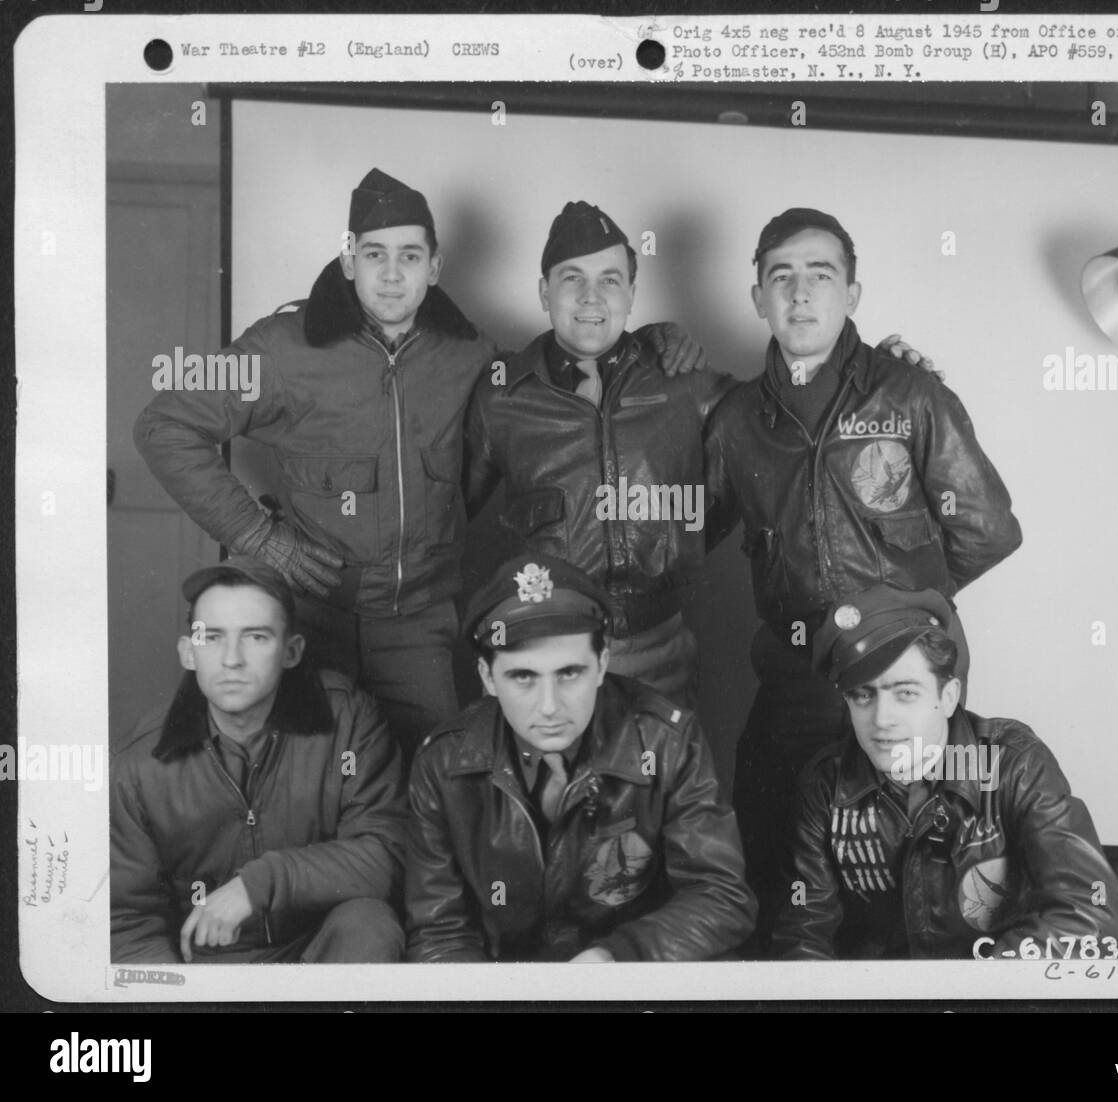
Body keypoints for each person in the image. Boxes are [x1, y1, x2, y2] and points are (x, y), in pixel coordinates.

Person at [135, 170, 704, 762]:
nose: (390, 273)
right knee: (299, 778)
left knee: (435, 781)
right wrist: (262, 539)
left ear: (434, 268)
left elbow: (559, 386)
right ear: (349, 260)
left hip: (419, 626)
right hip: (315, 613)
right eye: (374, 254)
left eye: (410, 255)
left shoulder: (471, 356)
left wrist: (648, 343)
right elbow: (163, 425)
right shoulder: (280, 348)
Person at [704, 207, 1023, 939]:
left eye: (822, 275)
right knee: (777, 839)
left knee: (915, 847)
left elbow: (988, 528)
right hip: (796, 672)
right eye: (781, 277)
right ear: (757, 298)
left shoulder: (908, 394)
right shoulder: (735, 420)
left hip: (900, 670)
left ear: (853, 293)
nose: (801, 293)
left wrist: (904, 620)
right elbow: (689, 531)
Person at [405, 552, 756, 962]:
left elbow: (721, 895)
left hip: (632, 986)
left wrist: (618, 957)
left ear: (603, 663)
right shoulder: (443, 764)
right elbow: (440, 932)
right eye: (523, 677)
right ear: (487, 678)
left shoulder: (667, 741)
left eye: (569, 673)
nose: (550, 706)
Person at [463, 201, 735, 704]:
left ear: (631, 294)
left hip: (659, 653)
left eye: (610, 280)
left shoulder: (684, 382)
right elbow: (442, 513)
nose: (591, 297)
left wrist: (890, 371)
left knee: (660, 777)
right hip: (547, 657)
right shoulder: (500, 396)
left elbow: (779, 427)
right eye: (572, 279)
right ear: (544, 291)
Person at [771, 585, 1118, 960]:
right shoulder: (825, 785)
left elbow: (1092, 913)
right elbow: (802, 936)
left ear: (948, 696)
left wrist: (979, 990)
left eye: (905, 693)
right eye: (863, 695)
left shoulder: (1012, 764)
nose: (882, 720)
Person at [110, 557, 406, 964]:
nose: (232, 659)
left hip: (318, 953)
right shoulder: (139, 762)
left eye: (256, 637)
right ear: (188, 653)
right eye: (211, 637)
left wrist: (259, 883)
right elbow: (127, 920)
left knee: (369, 923)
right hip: (208, 974)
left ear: (292, 651)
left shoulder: (348, 719)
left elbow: (386, 856)